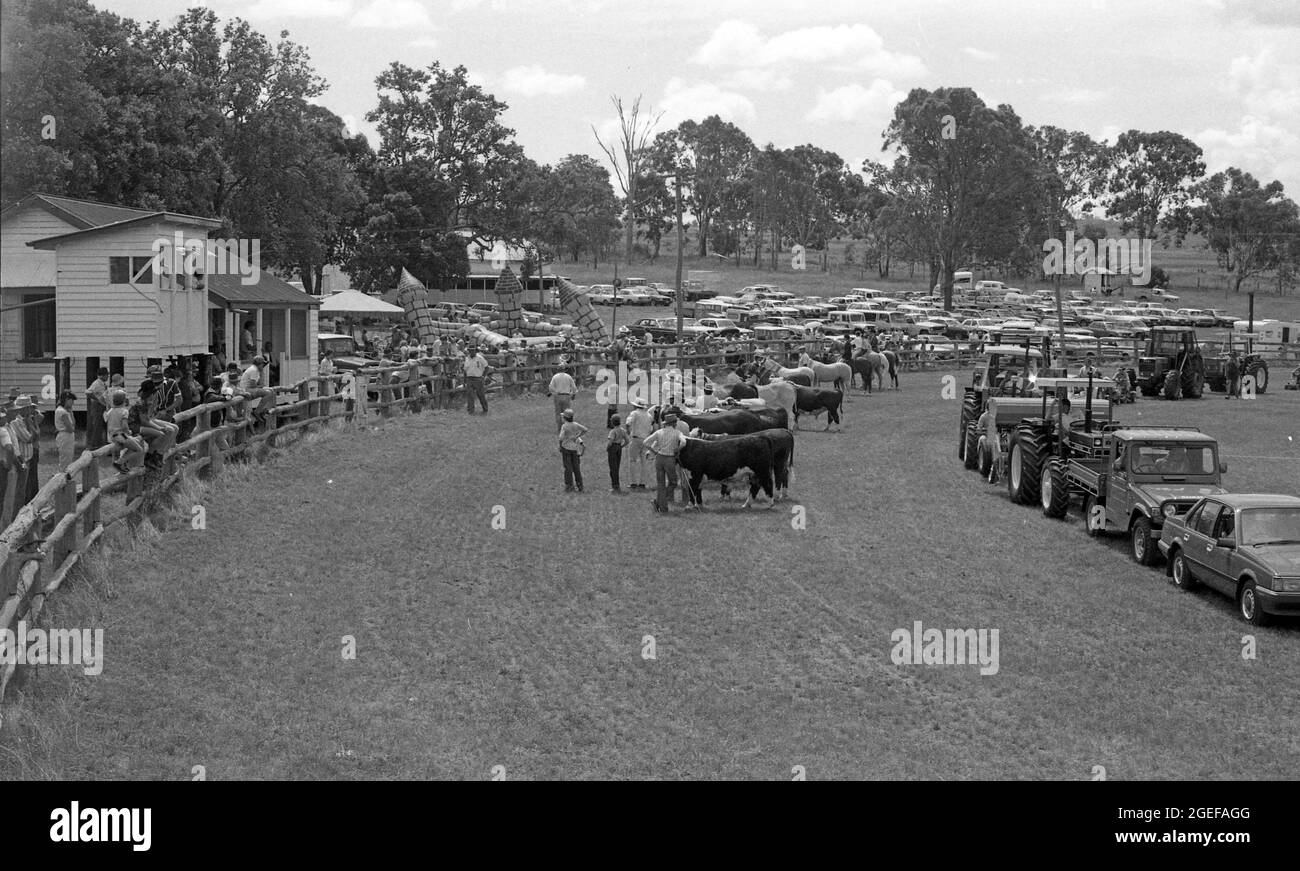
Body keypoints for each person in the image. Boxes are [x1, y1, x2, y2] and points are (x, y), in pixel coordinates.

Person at [643, 413, 687, 513]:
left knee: (661, 484)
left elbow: (645, 442)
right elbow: (684, 442)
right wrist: (677, 449)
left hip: (659, 458)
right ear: (674, 423)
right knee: (673, 482)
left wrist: (654, 451)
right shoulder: (677, 433)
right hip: (669, 459)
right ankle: (660, 503)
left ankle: (661, 505)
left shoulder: (659, 432)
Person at [105, 390, 144, 473]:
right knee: (139, 449)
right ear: (124, 401)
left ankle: (121, 464)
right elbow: (124, 426)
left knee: (132, 445)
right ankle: (120, 462)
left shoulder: (110, 411)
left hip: (112, 436)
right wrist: (128, 432)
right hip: (121, 435)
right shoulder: (124, 411)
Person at [239, 355, 276, 426]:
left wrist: (262, 373)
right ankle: (257, 411)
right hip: (246, 390)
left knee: (271, 390)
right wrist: (261, 386)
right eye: (263, 364)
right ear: (259, 363)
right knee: (268, 393)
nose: (264, 366)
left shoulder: (256, 370)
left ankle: (263, 410)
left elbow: (260, 383)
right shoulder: (254, 370)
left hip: (248, 389)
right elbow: (253, 384)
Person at [557, 408, 588, 492]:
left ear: (565, 418)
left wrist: (560, 445)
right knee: (576, 468)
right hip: (575, 449)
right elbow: (585, 429)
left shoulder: (564, 426)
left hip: (566, 448)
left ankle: (569, 485)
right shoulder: (575, 424)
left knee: (568, 468)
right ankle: (580, 485)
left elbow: (561, 438)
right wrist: (577, 436)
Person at [625, 399, 653, 490]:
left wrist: (629, 433)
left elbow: (628, 423)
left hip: (636, 438)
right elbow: (651, 428)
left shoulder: (634, 413)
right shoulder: (649, 415)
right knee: (644, 462)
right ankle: (642, 483)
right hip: (646, 439)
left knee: (633, 460)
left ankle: (633, 482)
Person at [85, 367, 110, 449]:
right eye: (107, 375)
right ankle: (94, 444)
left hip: (102, 405)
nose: (108, 376)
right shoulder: (96, 383)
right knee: (97, 424)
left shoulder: (103, 384)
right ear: (102, 375)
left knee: (102, 424)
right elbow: (88, 392)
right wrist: (97, 399)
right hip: (97, 405)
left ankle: (100, 442)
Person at [547, 366, 577, 431]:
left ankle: (560, 428)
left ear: (558, 369)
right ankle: (567, 428)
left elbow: (551, 387)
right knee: (567, 412)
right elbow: (574, 387)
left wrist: (554, 392)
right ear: (564, 370)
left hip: (558, 396)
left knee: (558, 413)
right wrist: (573, 394)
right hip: (566, 395)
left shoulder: (555, 377)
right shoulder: (568, 376)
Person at [463, 345, 490, 415]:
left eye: (473, 350)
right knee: (470, 395)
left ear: (475, 351)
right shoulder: (467, 358)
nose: (471, 352)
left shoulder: (480, 358)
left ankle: (485, 409)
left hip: (478, 379)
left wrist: (483, 376)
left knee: (481, 395)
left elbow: (487, 367)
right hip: (469, 379)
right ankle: (470, 411)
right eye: (470, 350)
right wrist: (464, 381)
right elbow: (465, 370)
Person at [54, 390, 77, 471]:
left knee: (69, 457)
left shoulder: (66, 411)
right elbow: (70, 428)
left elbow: (73, 424)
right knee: (65, 459)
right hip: (64, 436)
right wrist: (72, 428)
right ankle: (62, 476)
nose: (73, 403)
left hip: (68, 436)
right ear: (66, 399)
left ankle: (67, 475)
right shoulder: (61, 411)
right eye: (71, 400)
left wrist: (71, 412)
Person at [606, 413, 628, 492]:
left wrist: (607, 448)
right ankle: (617, 485)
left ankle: (615, 486)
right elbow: (627, 441)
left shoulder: (613, 431)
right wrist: (621, 446)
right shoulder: (622, 430)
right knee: (617, 466)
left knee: (613, 467)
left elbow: (610, 442)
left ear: (612, 422)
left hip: (613, 448)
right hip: (619, 447)